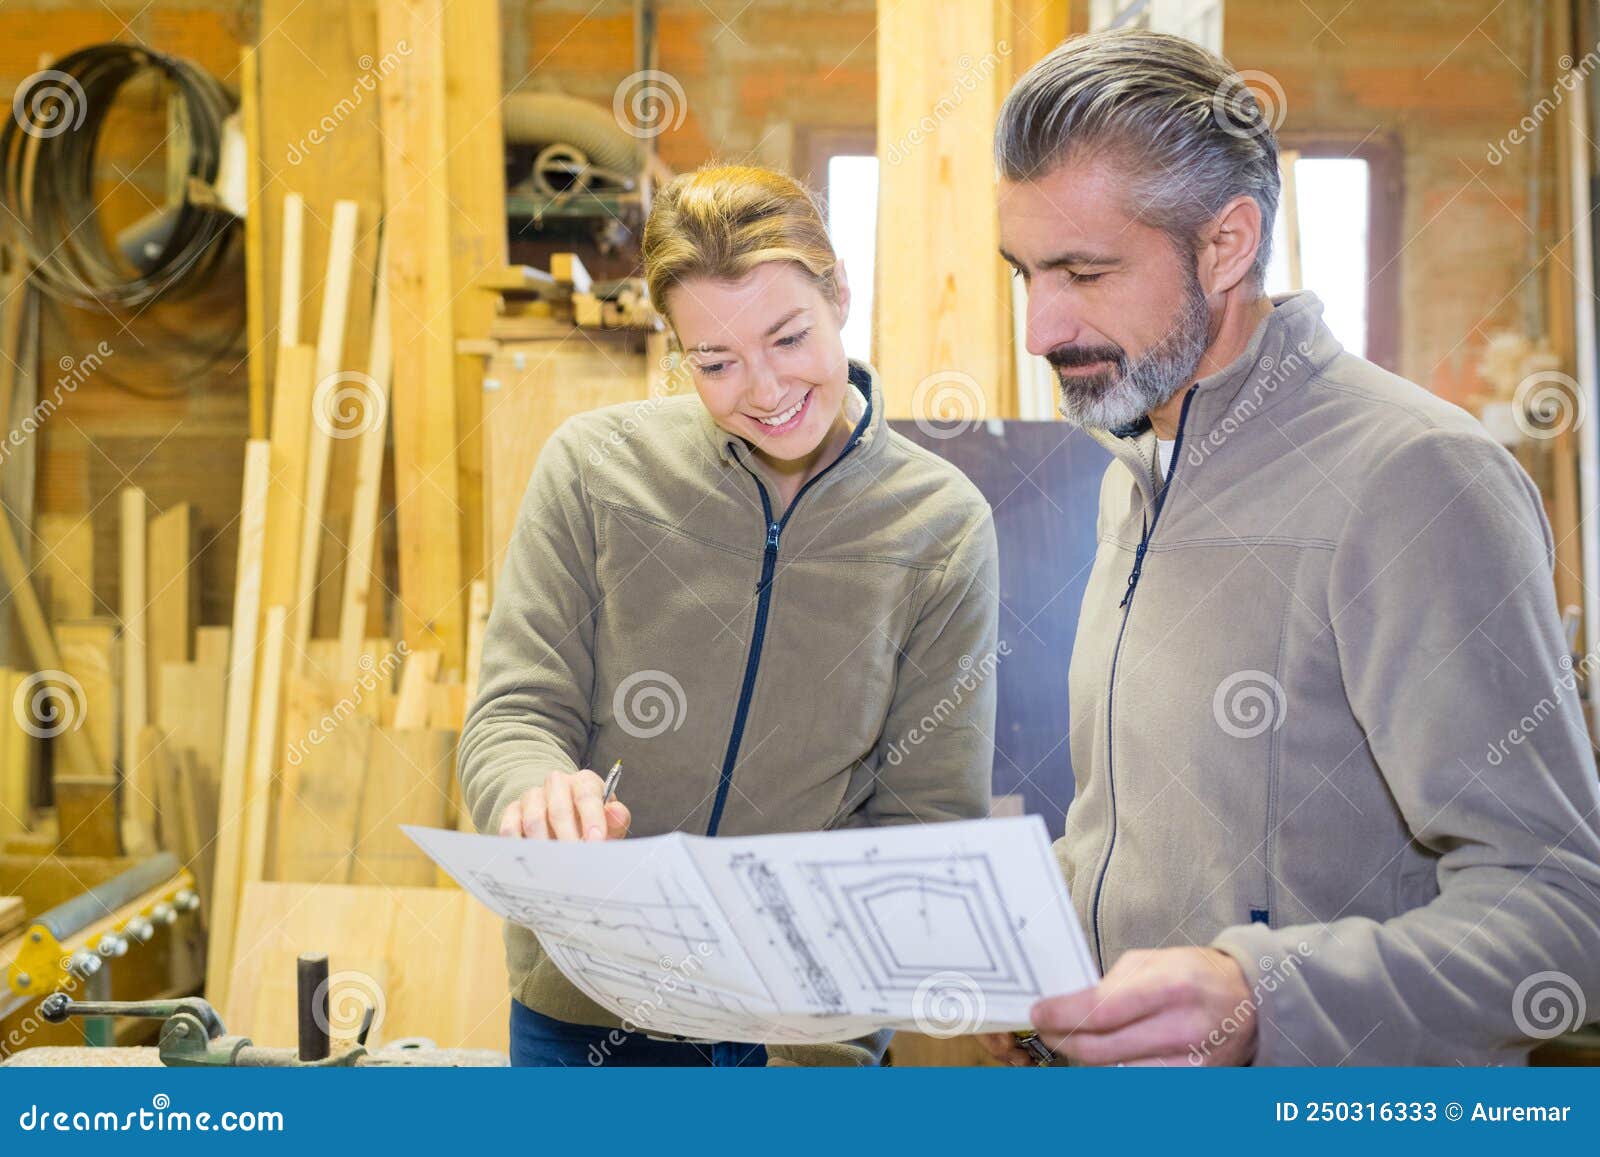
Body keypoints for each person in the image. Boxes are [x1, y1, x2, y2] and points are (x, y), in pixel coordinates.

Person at [981, 28, 1600, 1065]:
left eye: (1084, 272)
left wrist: (1258, 996)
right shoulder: (1135, 468)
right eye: (1024, 272)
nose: (1040, 326)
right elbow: (1151, 836)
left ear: (1225, 244)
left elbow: (1563, 907)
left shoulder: (1414, 476)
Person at [458, 163, 1000, 1067]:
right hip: (582, 1014)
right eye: (715, 362)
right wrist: (534, 797)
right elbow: (514, 717)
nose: (763, 389)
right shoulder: (594, 472)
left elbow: (924, 823)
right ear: (676, 352)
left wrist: (823, 1046)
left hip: (798, 1028)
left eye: (788, 338)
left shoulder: (941, 528)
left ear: (840, 295)